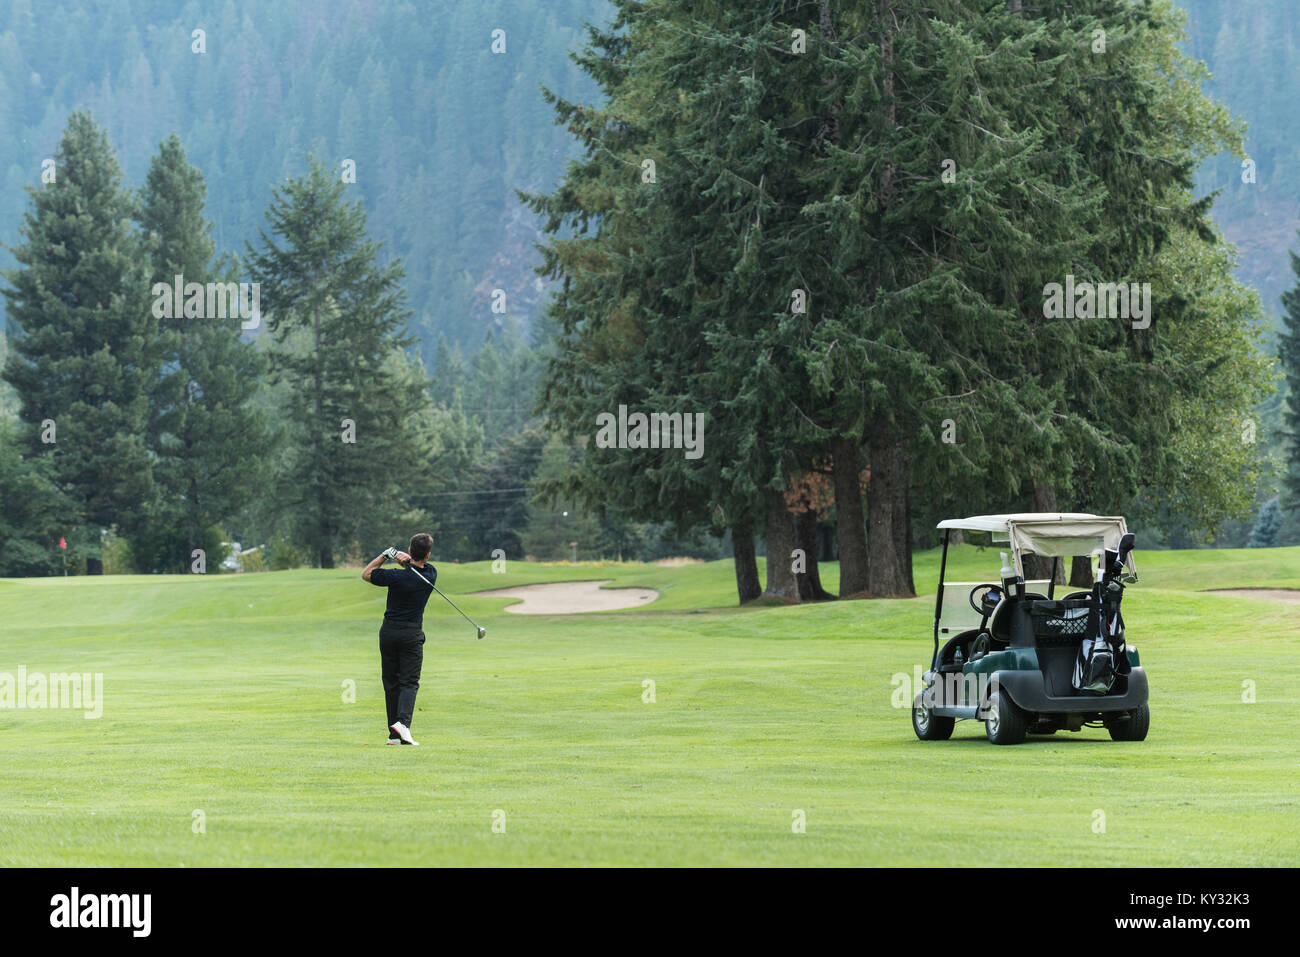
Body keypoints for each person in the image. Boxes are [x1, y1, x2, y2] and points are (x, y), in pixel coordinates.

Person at [361, 533, 436, 746]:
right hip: (411, 634)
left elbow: (366, 574)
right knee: (409, 682)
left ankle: (394, 735)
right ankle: (402, 724)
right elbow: (415, 569)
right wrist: (407, 562)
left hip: (388, 632)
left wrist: (386, 555)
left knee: (391, 683)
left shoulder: (395, 576)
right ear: (428, 555)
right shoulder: (431, 574)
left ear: (410, 550)